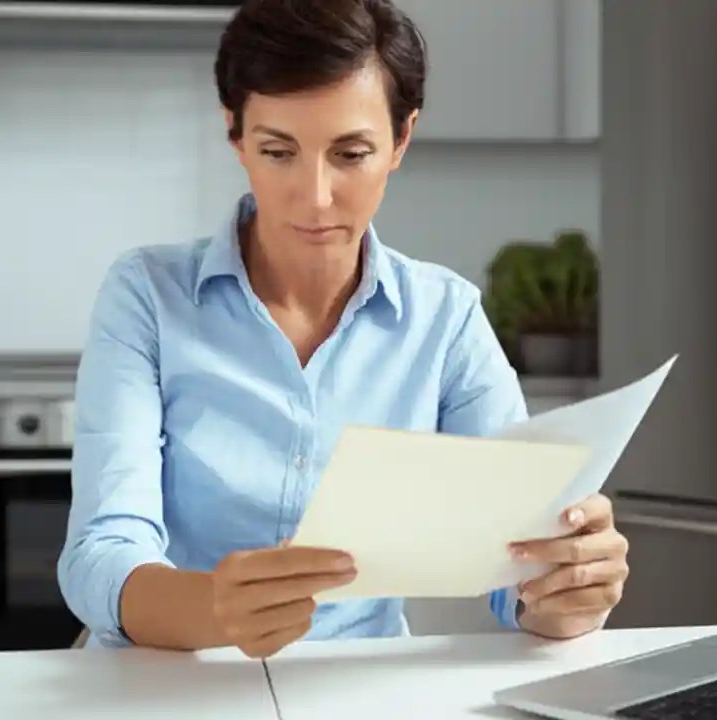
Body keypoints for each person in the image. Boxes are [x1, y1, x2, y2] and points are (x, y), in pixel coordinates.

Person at [58, 0, 630, 657]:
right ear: (235, 135)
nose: (317, 195)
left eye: (351, 153)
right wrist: (214, 609)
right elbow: (100, 553)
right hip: (164, 680)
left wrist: (566, 594)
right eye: (279, 151)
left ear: (401, 140)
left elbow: (514, 569)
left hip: (354, 687)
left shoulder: (445, 319)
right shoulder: (147, 295)